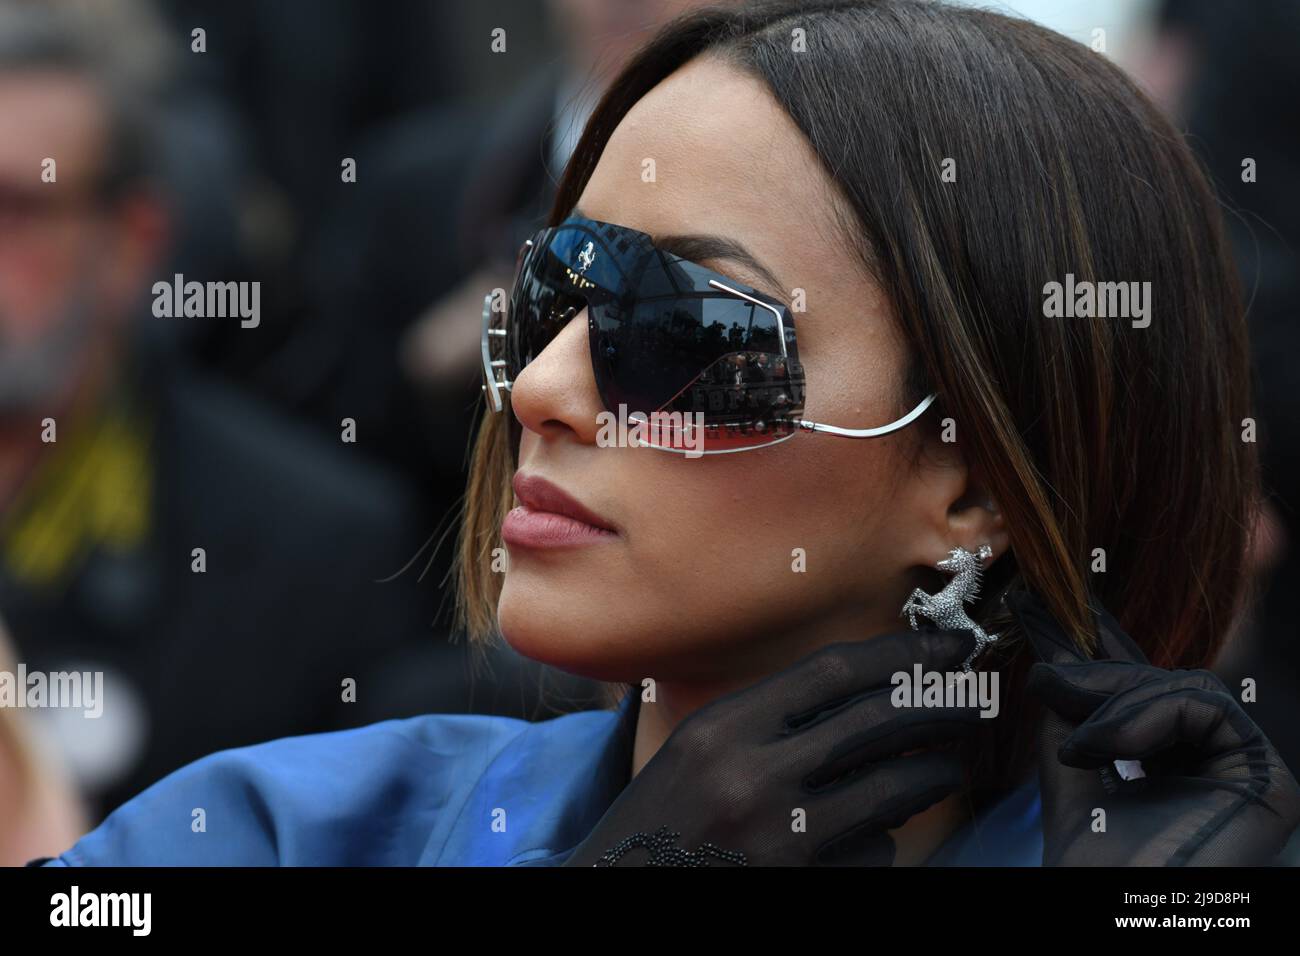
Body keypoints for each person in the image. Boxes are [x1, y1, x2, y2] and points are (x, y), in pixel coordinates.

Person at [35, 0, 1300, 867]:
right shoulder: (278, 828)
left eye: (682, 328)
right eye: (551, 296)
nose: (541, 387)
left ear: (967, 481)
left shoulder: (1179, 870)